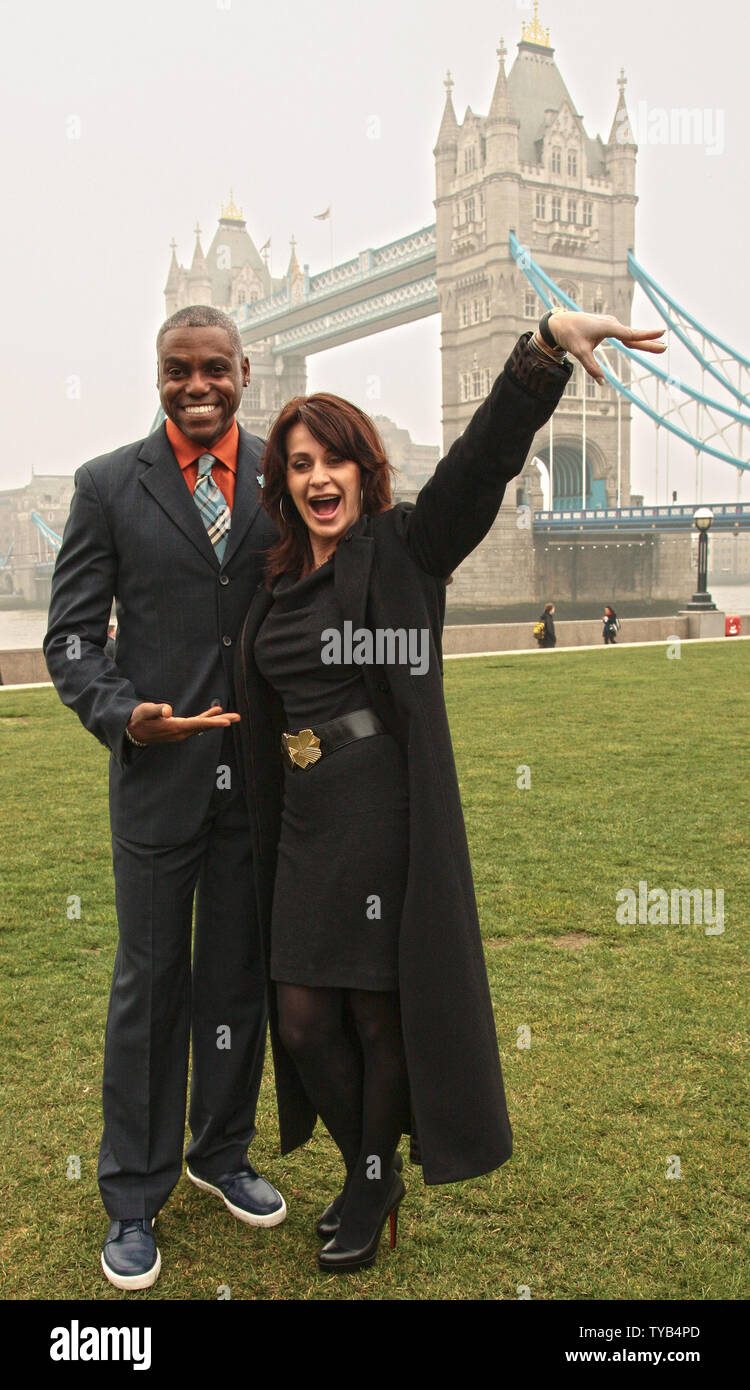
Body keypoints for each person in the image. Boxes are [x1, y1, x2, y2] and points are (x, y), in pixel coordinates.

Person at [235, 309, 666, 1272]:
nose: (317, 479)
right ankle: (370, 1166)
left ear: (363, 470)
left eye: (334, 461)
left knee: (381, 1011)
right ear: (283, 482)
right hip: (305, 819)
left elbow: (480, 468)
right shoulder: (268, 583)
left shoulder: (405, 548)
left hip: (385, 805)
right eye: (299, 465)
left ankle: (371, 1171)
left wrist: (544, 346)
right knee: (302, 1016)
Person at [44, 305, 284, 1291]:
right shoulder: (108, 486)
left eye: (216, 368)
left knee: (236, 975)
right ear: (158, 374)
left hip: (258, 780)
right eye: (180, 369)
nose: (199, 386)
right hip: (156, 777)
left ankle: (218, 1150)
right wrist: (121, 713)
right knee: (152, 984)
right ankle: (133, 1197)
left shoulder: (286, 471)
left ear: (243, 371)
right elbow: (69, 638)